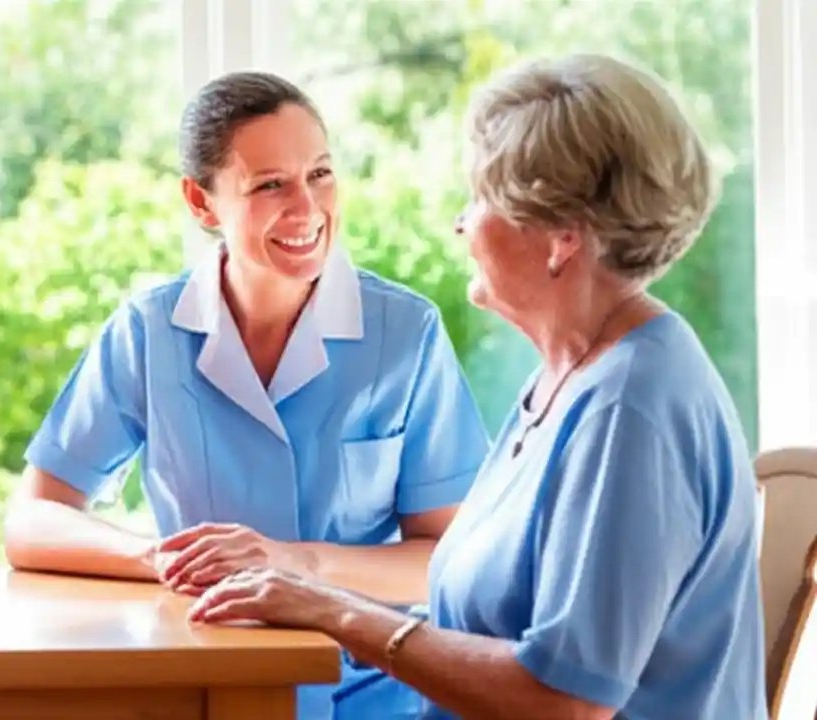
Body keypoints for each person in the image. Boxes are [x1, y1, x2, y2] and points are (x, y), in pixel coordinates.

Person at [186, 53, 768, 720]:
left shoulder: (632, 407)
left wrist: (335, 610)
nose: (462, 224)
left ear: (561, 237)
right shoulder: (571, 376)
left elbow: (564, 705)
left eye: (482, 200)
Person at [3, 71, 492, 719]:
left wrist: (294, 564)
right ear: (202, 204)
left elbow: (447, 561)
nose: (308, 208)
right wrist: (164, 560)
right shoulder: (151, 330)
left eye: (320, 174)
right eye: (270, 185)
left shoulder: (404, 333)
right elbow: (32, 520)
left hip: (370, 685)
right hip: (203, 674)